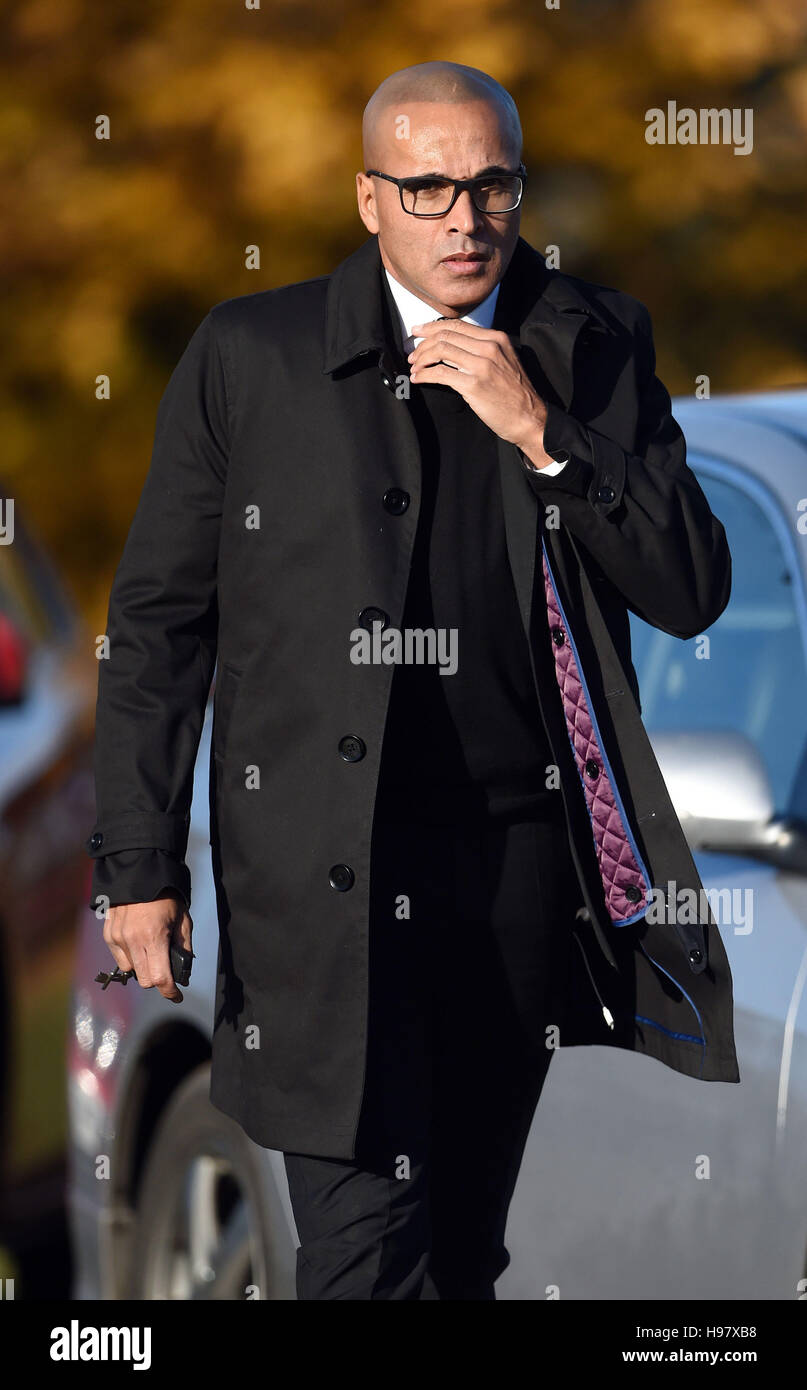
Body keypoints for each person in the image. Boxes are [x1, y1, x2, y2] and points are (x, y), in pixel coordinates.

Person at [86, 60, 739, 1301]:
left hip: (514, 876)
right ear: (368, 197)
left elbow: (691, 584)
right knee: (364, 1256)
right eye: (428, 185)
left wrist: (545, 436)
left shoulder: (592, 343)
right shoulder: (254, 353)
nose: (465, 218)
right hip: (320, 888)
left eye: (492, 185)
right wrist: (140, 866)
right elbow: (162, 622)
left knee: (459, 1255)